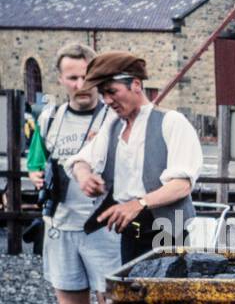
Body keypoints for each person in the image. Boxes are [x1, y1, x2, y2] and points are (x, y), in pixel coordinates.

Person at [29, 43, 115, 304]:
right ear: (61, 80)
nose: (82, 84)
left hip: (105, 229)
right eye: (73, 77)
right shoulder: (48, 118)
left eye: (87, 76)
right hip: (61, 227)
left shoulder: (114, 117)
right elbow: (36, 160)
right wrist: (37, 176)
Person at [67, 51, 203, 264]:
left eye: (112, 91)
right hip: (131, 231)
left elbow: (182, 185)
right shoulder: (113, 126)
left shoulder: (171, 122)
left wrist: (139, 203)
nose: (107, 100)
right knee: (132, 293)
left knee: (167, 294)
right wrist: (84, 176)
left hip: (169, 230)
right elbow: (81, 160)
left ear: (136, 85)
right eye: (103, 94)